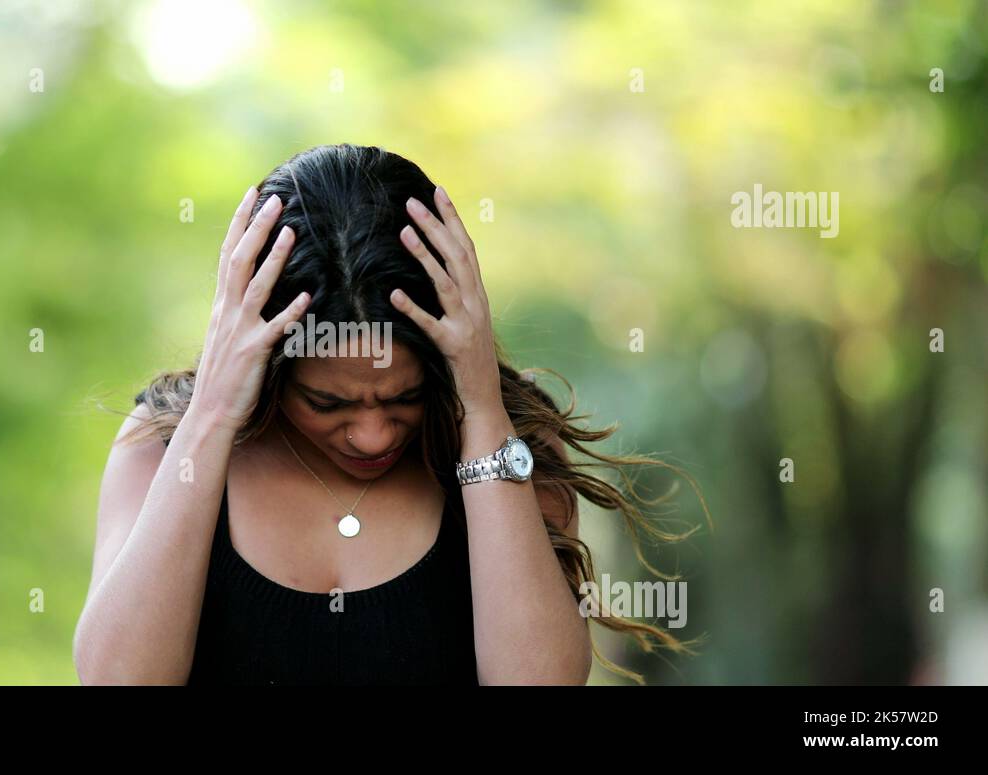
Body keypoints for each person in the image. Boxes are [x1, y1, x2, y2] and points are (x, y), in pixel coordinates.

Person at [73, 144, 702, 685]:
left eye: (404, 397)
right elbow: (120, 678)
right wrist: (211, 414)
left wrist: (480, 407)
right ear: (263, 365)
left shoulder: (512, 442)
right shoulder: (163, 444)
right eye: (327, 402)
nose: (372, 435)